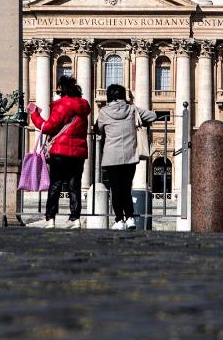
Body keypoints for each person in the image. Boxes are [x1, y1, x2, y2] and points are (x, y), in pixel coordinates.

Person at [27, 75, 91, 228]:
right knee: (74, 185)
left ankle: (50, 219)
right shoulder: (84, 106)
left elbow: (47, 127)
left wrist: (34, 114)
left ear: (63, 90)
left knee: (55, 184)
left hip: (60, 151)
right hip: (78, 152)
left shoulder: (63, 105)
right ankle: (75, 219)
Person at [93, 84, 159, 230]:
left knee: (115, 190)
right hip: (130, 155)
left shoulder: (103, 112)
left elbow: (98, 129)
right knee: (126, 188)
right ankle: (130, 218)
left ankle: (119, 220)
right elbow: (153, 116)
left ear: (109, 96)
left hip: (111, 157)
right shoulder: (132, 109)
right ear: (124, 96)